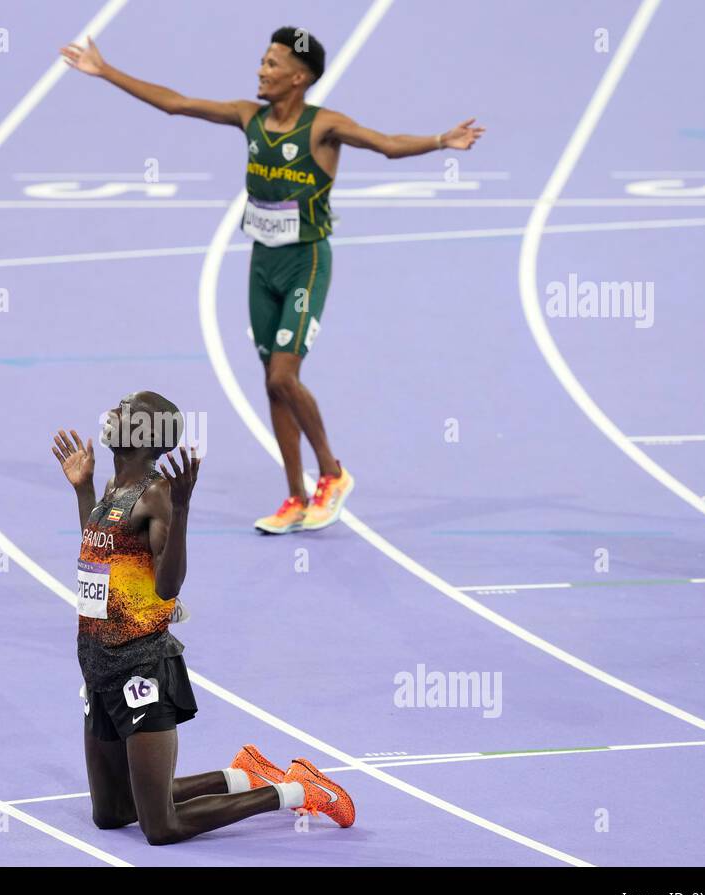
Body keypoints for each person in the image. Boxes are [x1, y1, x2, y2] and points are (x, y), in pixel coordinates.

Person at [61, 28, 484, 533]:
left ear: (298, 77)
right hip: (261, 264)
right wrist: (105, 71)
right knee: (272, 384)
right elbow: (176, 104)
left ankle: (332, 473)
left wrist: (442, 140)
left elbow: (387, 146)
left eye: (272, 64)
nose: (261, 70)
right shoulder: (250, 117)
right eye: (262, 62)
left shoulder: (323, 126)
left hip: (304, 262)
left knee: (285, 375)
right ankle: (294, 496)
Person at [52, 392, 354, 843]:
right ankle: (243, 774)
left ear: (146, 434)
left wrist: (184, 509)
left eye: (125, 411)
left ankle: (295, 790)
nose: (112, 413)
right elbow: (102, 552)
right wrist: (84, 492)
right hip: (98, 667)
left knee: (161, 826)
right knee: (112, 813)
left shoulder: (155, 494)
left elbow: (168, 587)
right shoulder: (112, 489)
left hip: (140, 668)